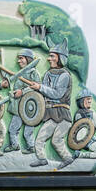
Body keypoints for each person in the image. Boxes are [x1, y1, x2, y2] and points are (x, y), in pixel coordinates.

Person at [30, 38, 74, 167]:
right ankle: (42, 159)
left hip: (62, 113)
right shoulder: (48, 74)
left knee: (56, 140)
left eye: (52, 56)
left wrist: (39, 87)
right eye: (49, 56)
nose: (49, 59)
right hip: (51, 113)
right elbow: (41, 92)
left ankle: (68, 159)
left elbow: (57, 94)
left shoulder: (65, 75)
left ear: (60, 58)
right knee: (40, 138)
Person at [0, 47, 40, 153]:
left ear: (28, 59)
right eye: (18, 58)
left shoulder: (33, 73)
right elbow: (16, 88)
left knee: (28, 132)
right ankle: (15, 145)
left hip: (30, 109)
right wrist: (12, 92)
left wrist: (23, 92)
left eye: (21, 58)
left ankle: (31, 147)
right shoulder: (20, 74)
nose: (18, 61)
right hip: (18, 108)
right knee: (12, 129)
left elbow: (37, 87)